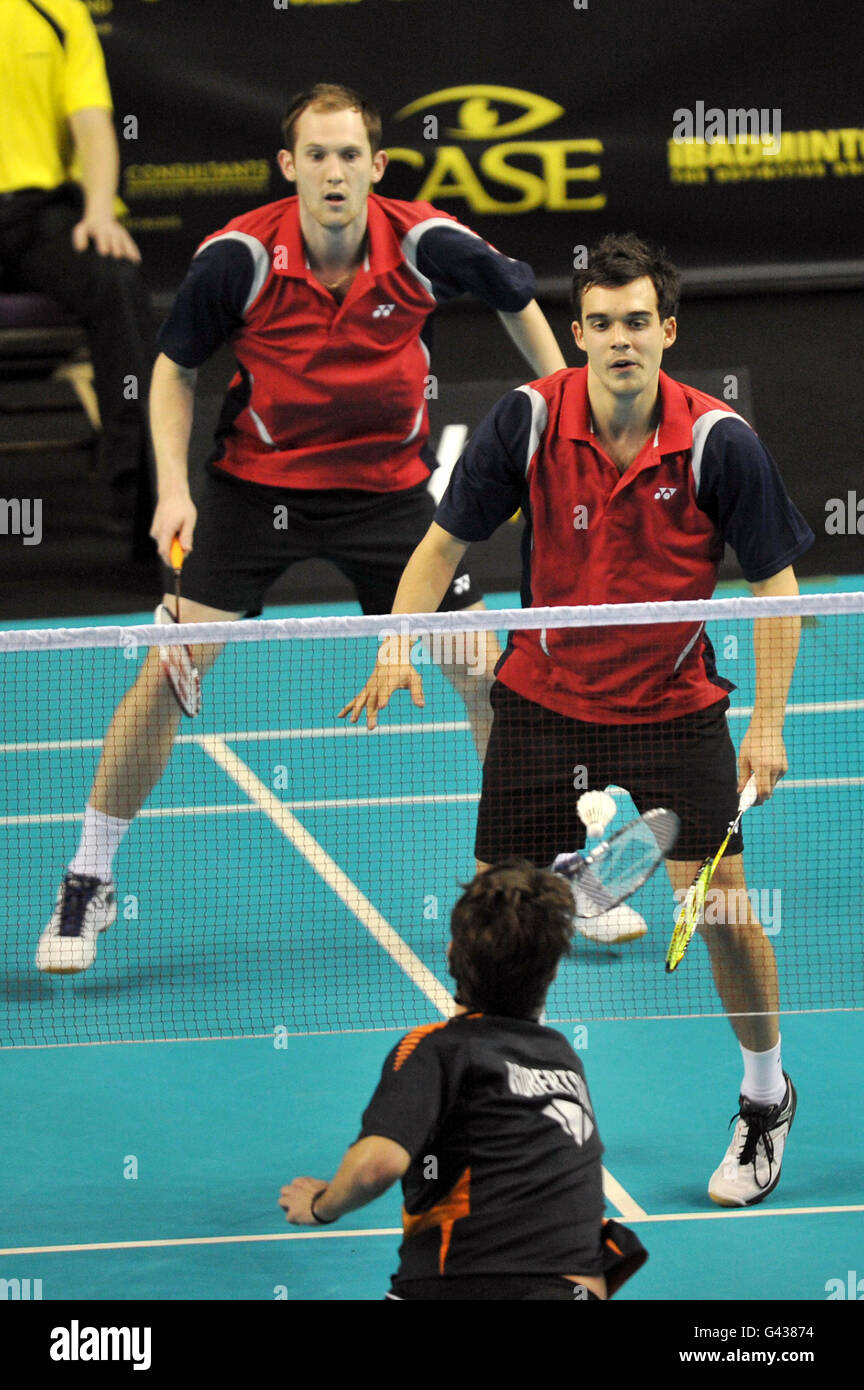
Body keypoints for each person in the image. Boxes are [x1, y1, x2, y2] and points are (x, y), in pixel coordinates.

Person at [34, 83, 566, 976]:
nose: (333, 171)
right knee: (168, 672)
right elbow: (172, 372)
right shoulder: (237, 259)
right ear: (289, 167)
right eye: (315, 155)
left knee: (482, 668)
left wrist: (564, 419)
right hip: (252, 488)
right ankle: (90, 879)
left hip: (389, 493)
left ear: (376, 168)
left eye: (349, 155)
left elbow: (516, 298)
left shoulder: (426, 242)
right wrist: (173, 489)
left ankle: (542, 866)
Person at [343, 232, 816, 1209]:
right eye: (599, 324)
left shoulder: (718, 439)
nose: (619, 340)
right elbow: (439, 548)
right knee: (498, 924)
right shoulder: (526, 421)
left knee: (723, 910)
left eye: (637, 321)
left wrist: (766, 723)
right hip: (547, 700)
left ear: (668, 330)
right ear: (579, 333)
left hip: (672, 703)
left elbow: (777, 585)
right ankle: (495, 1114)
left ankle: (765, 1095)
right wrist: (396, 645)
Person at [279, 859, 647, 1301]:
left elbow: (377, 1165)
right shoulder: (564, 1060)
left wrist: (321, 1207)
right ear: (551, 973)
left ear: (453, 953)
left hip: (460, 1285)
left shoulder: (436, 1049)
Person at [0, 0, 155, 543]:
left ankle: (143, 506)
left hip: (38, 213)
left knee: (116, 279)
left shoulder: (58, 10)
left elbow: (90, 122)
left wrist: (97, 211)